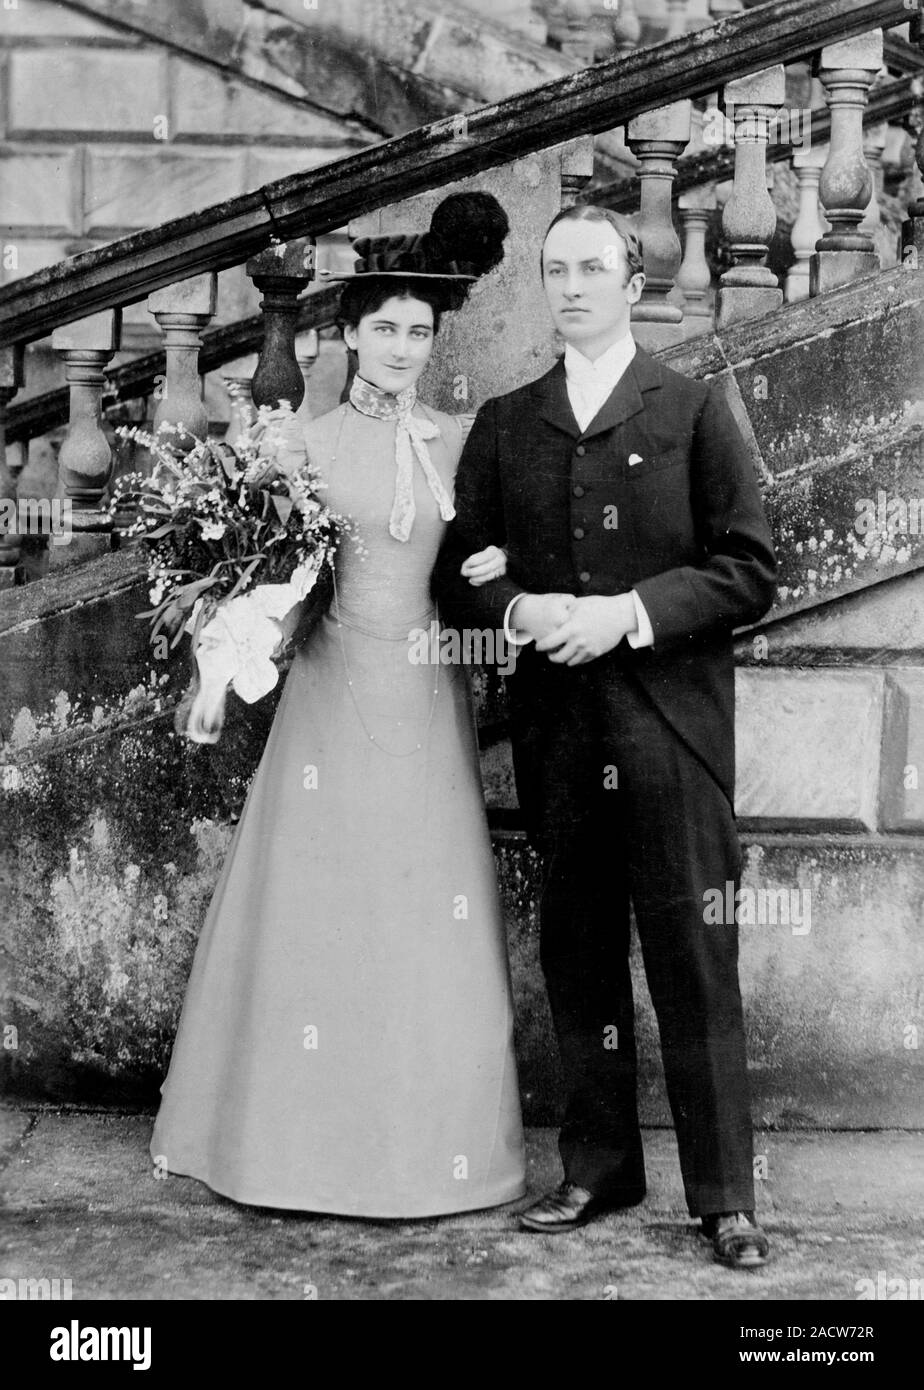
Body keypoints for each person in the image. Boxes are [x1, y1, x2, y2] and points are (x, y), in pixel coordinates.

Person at [149, 193, 527, 1218]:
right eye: (384, 329)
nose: (402, 347)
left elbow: (485, 566)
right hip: (328, 696)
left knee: (424, 906)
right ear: (348, 335)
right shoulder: (298, 446)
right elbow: (254, 582)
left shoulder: (463, 442)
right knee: (321, 910)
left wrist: (500, 572)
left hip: (428, 696)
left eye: (417, 331)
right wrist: (215, 684)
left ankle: (430, 1150)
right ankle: (289, 1148)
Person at [433, 204, 778, 1268]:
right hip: (561, 733)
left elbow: (750, 569)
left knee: (693, 958)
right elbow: (456, 576)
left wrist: (623, 614)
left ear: (635, 284)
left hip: (671, 728)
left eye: (594, 268)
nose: (574, 285)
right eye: (556, 270)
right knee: (578, 953)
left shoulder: (689, 408)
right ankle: (597, 1166)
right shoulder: (505, 422)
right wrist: (521, 614)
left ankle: (724, 1194)